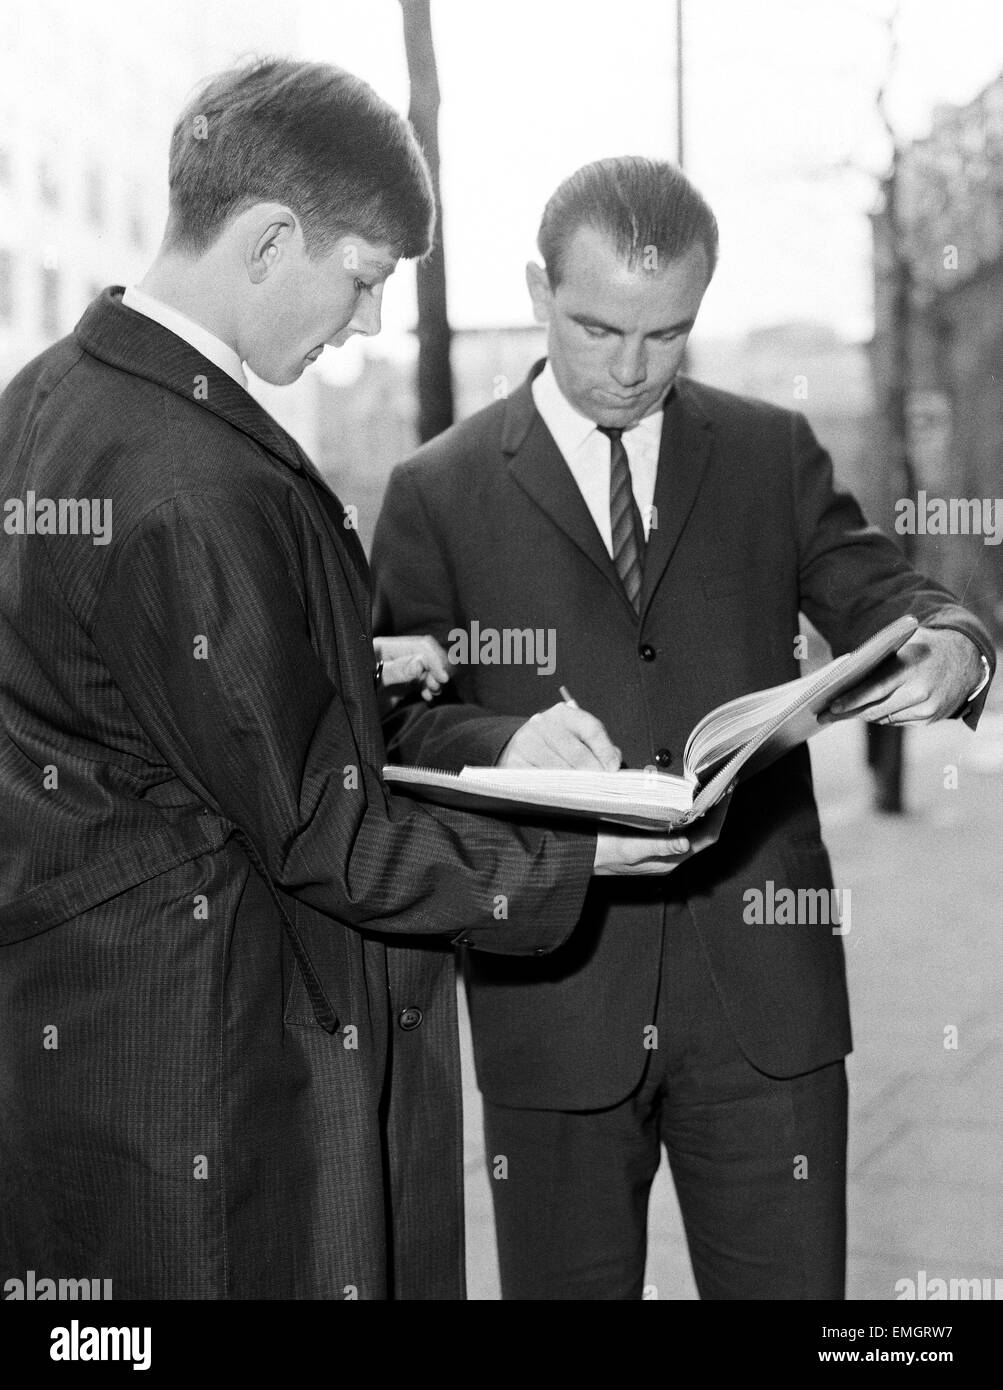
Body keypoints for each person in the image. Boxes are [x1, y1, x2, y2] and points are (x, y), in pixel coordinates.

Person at [0, 69, 692, 1302]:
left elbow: (135, 708)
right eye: (365, 276)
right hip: (208, 1063)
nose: (367, 323)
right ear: (270, 240)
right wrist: (580, 856)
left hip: (92, 1040)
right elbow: (322, 832)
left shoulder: (52, 397)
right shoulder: (192, 476)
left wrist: (371, 687)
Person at [372, 156, 995, 1300]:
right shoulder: (435, 490)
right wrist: (497, 741)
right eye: (597, 326)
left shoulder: (770, 452)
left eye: (666, 334)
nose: (627, 367)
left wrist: (954, 644)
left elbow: (889, 596)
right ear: (534, 288)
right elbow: (395, 724)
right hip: (553, 1005)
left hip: (766, 1011)